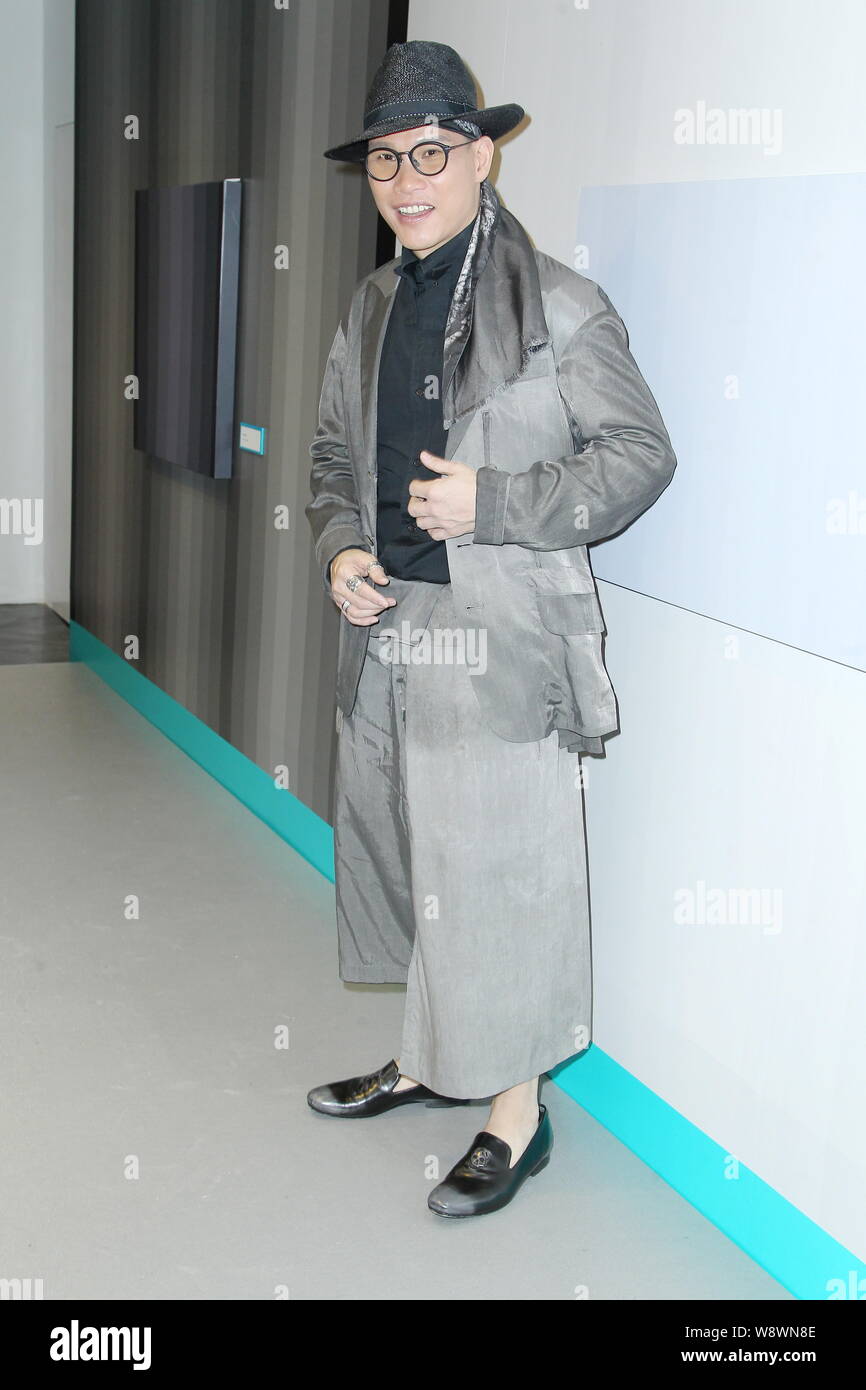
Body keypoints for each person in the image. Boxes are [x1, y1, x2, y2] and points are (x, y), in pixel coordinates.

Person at [304, 40, 676, 1218]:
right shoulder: (369, 306)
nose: (404, 182)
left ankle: (515, 1113)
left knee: (502, 873)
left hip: (503, 637)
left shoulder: (559, 302)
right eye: (382, 161)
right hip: (389, 626)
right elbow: (327, 462)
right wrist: (340, 551)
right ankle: (426, 1055)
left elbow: (638, 458)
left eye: (428, 153)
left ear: (479, 154)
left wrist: (498, 504)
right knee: (416, 853)